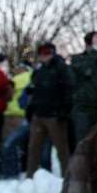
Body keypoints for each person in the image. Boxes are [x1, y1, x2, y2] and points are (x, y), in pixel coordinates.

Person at [26, 43, 73, 176]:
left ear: (53, 52)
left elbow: (69, 90)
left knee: (62, 149)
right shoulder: (39, 70)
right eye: (41, 52)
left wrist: (64, 110)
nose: (44, 55)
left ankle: (67, 177)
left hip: (55, 116)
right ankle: (30, 177)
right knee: (33, 148)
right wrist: (31, 108)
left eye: (47, 52)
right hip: (39, 114)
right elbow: (34, 90)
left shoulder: (61, 68)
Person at [70, 30, 97, 149]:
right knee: (83, 145)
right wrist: (94, 50)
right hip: (83, 110)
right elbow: (85, 71)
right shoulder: (77, 59)